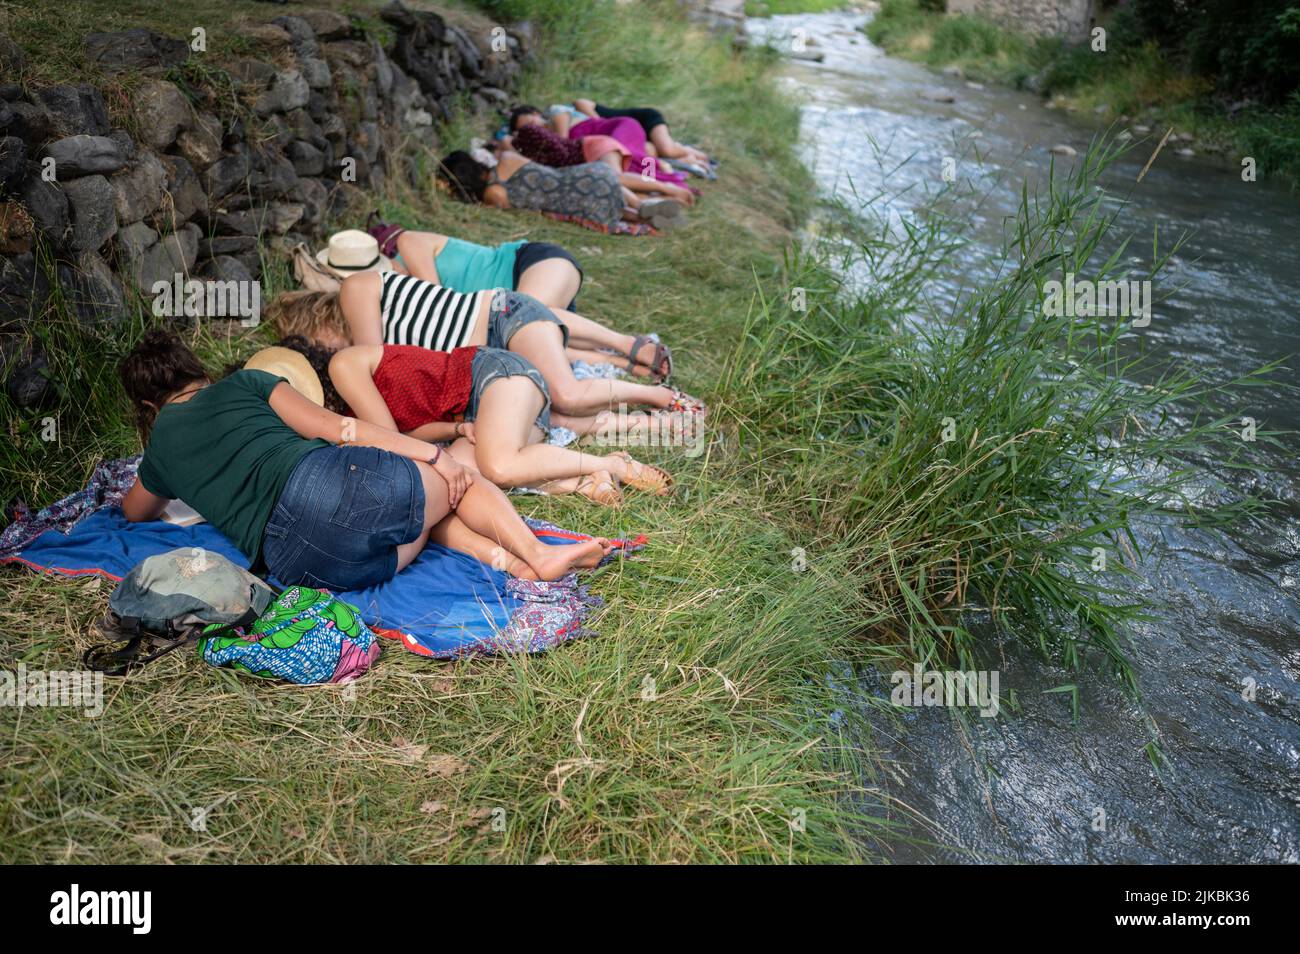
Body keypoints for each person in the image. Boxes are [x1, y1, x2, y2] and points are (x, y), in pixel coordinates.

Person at [118, 330, 609, 590]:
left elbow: (133, 512)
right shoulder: (245, 384)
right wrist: (435, 455)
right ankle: (537, 556)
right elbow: (341, 429)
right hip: (321, 484)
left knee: (427, 509)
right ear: (196, 372)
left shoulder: (160, 446)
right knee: (458, 481)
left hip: (301, 565)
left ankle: (507, 562)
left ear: (146, 406)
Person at [273, 231, 703, 430]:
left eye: (316, 344)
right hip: (492, 354)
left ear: (317, 320)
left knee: (568, 394)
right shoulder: (381, 309)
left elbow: (382, 361)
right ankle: (646, 409)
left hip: (503, 316)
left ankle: (664, 398)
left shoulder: (357, 287)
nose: (323, 352)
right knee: (555, 413)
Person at [326, 342, 673, 505]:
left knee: (499, 465)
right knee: (459, 482)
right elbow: (408, 436)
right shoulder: (352, 412)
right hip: (481, 413)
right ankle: (583, 481)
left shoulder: (343, 364)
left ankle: (612, 463)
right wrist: (457, 430)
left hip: (492, 375)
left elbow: (390, 438)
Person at [359, 220, 674, 380]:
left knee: (530, 313)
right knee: (526, 341)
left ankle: (628, 344)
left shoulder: (408, 242)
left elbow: (438, 295)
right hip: (508, 313)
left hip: (530, 262)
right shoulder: (398, 297)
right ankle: (618, 363)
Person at [438, 148, 683, 231]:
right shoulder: (507, 157)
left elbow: (523, 213)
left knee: (598, 207)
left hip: (581, 202)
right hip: (589, 174)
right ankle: (643, 205)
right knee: (606, 186)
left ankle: (639, 216)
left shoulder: (494, 194)